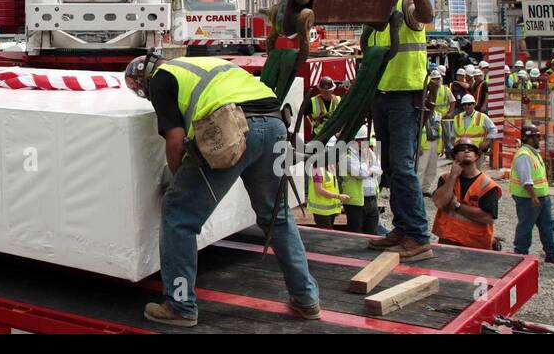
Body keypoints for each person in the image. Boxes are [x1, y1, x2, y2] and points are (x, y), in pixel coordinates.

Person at [125, 54, 320, 326]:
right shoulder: (201, 64)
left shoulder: (160, 79)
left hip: (233, 128)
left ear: (144, 78)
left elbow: (176, 140)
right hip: (275, 126)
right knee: (276, 216)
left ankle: (180, 305)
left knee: (178, 216)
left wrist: (178, 181)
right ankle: (306, 298)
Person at [367, 0, 436, 262]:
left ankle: (419, 236)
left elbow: (427, 14)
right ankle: (403, 227)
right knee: (391, 168)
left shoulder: (404, 1)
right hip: (383, 94)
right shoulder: (371, 10)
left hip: (405, 93)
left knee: (403, 167)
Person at [511, 124, 554, 266]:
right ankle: (520, 254)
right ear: (526, 138)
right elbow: (526, 179)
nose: (537, 139)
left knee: (548, 225)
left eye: (538, 136)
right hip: (528, 198)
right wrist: (533, 196)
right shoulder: (524, 155)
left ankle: (552, 254)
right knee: (526, 227)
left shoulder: (533, 153)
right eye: (534, 137)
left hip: (541, 196)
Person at [431, 139, 502, 250]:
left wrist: (457, 206)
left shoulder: (487, 185)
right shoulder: (445, 179)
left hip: (476, 244)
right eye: (461, 149)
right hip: (448, 241)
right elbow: (440, 202)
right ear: (455, 156)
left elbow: (487, 218)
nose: (467, 151)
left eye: (471, 149)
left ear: (477, 155)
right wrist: (452, 177)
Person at [342, 127, 382, 235]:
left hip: (372, 200)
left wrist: (368, 170)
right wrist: (366, 162)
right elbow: (360, 174)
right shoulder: (347, 155)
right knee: (355, 233)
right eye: (363, 140)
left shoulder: (369, 151)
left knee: (372, 233)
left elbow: (379, 169)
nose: (366, 143)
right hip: (356, 202)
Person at [420, 69, 451, 195]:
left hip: (434, 143)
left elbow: (439, 131)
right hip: (424, 144)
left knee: (431, 168)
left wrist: (440, 148)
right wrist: (419, 145)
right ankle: (417, 189)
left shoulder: (437, 114)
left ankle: (425, 189)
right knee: (421, 167)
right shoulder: (421, 114)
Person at [307, 147, 346, 229]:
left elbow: (334, 188)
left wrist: (337, 209)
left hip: (330, 209)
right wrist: (338, 197)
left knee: (328, 235)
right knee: (324, 236)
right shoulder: (316, 169)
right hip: (321, 210)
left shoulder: (330, 168)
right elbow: (319, 189)